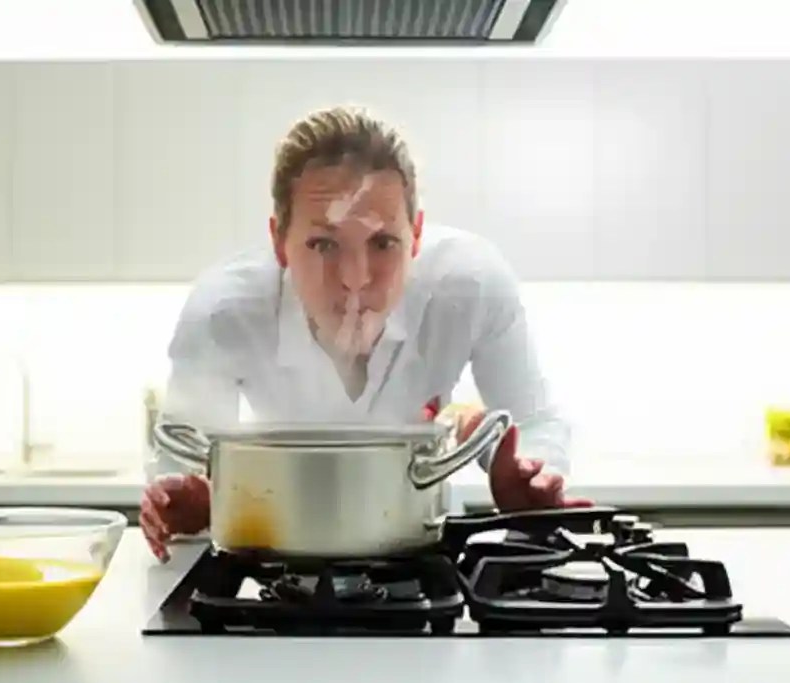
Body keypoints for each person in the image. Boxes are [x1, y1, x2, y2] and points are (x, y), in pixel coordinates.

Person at [140, 105, 589, 561]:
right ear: (279, 241)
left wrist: (533, 478)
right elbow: (182, 459)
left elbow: (534, 421)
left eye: (382, 243)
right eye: (323, 244)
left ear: (415, 236)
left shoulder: (470, 284)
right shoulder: (226, 310)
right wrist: (192, 503)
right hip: (277, 547)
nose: (355, 278)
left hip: (419, 544)